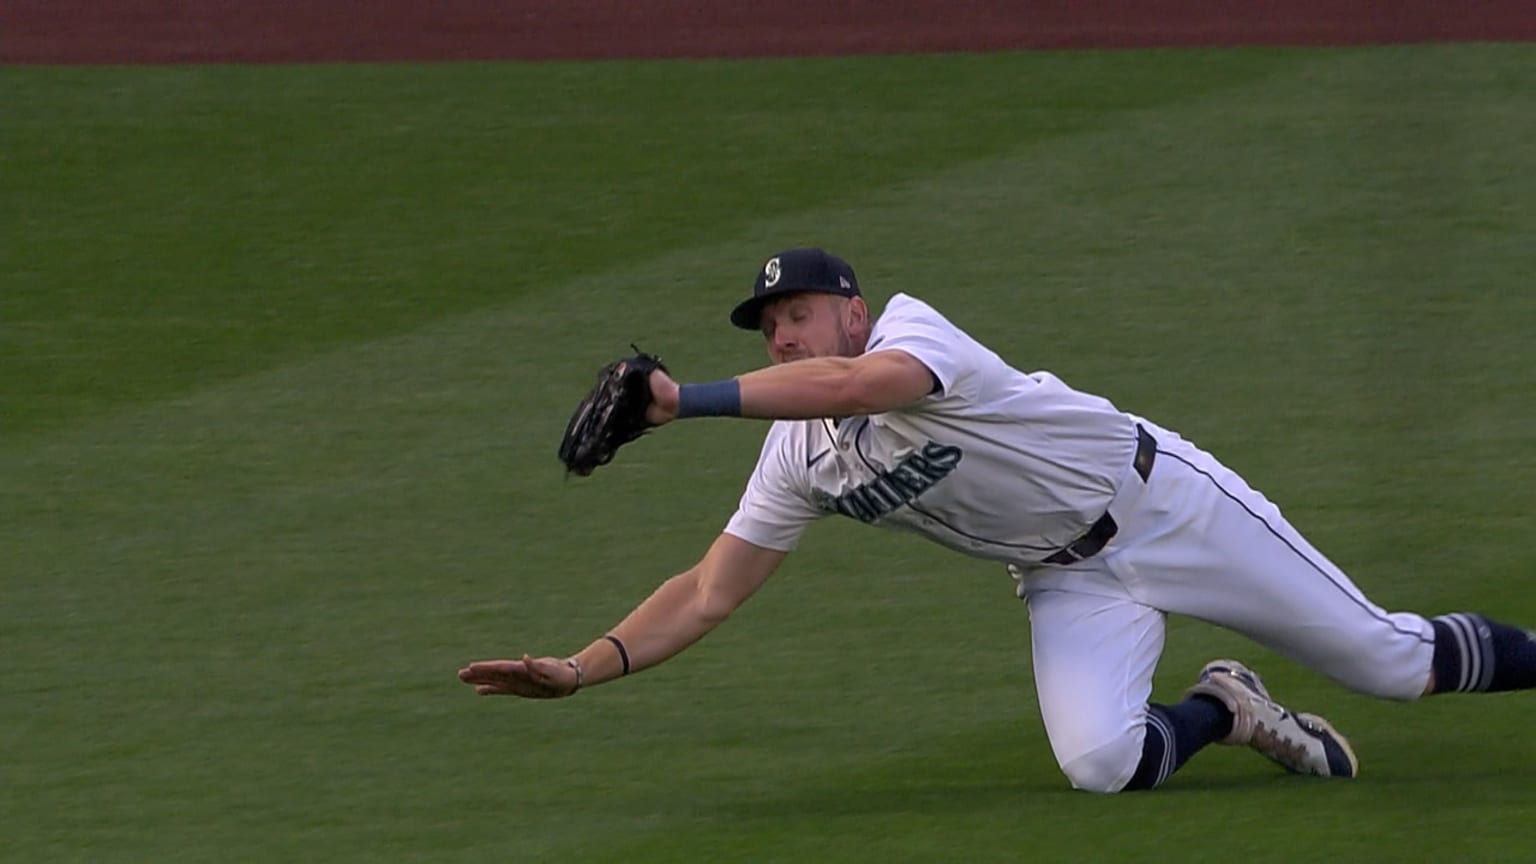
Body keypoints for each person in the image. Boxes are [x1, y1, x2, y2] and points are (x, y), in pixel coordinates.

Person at [459, 247, 1536, 793]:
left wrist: (681, 401)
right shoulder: (793, 453)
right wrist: (580, 666)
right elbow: (708, 592)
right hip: (1064, 579)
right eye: (771, 325)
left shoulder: (918, 336)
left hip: (1162, 510)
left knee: (1396, 665)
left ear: (852, 307)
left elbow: (860, 386)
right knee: (1102, 766)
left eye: (799, 314)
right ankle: (1230, 709)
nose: (787, 336)